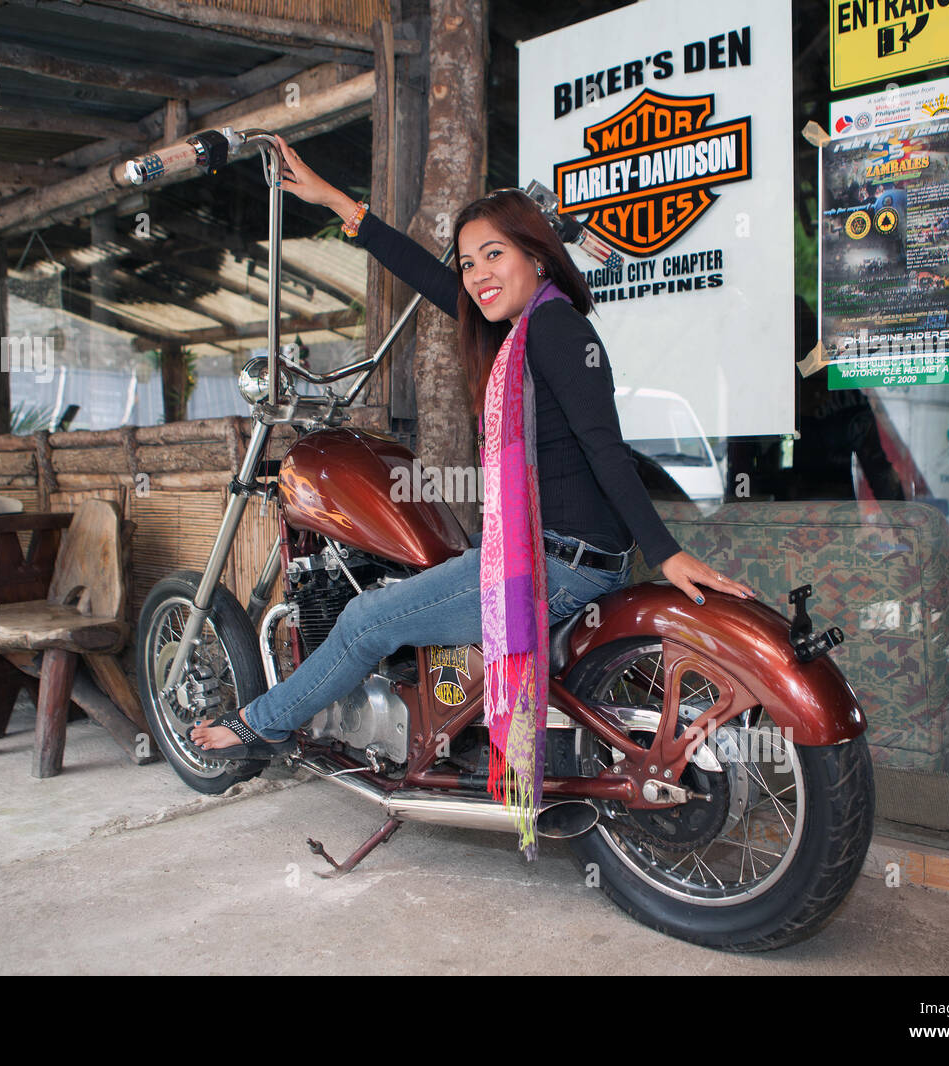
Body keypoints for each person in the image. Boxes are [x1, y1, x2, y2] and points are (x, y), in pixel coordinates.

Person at [189, 137, 755, 765]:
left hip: (558, 565)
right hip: (562, 554)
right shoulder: (524, 329)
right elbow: (427, 276)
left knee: (365, 620)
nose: (478, 274)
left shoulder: (555, 329)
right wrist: (335, 203)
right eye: (468, 263)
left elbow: (605, 449)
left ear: (538, 256)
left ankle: (260, 725)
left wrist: (667, 553)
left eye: (495, 254)